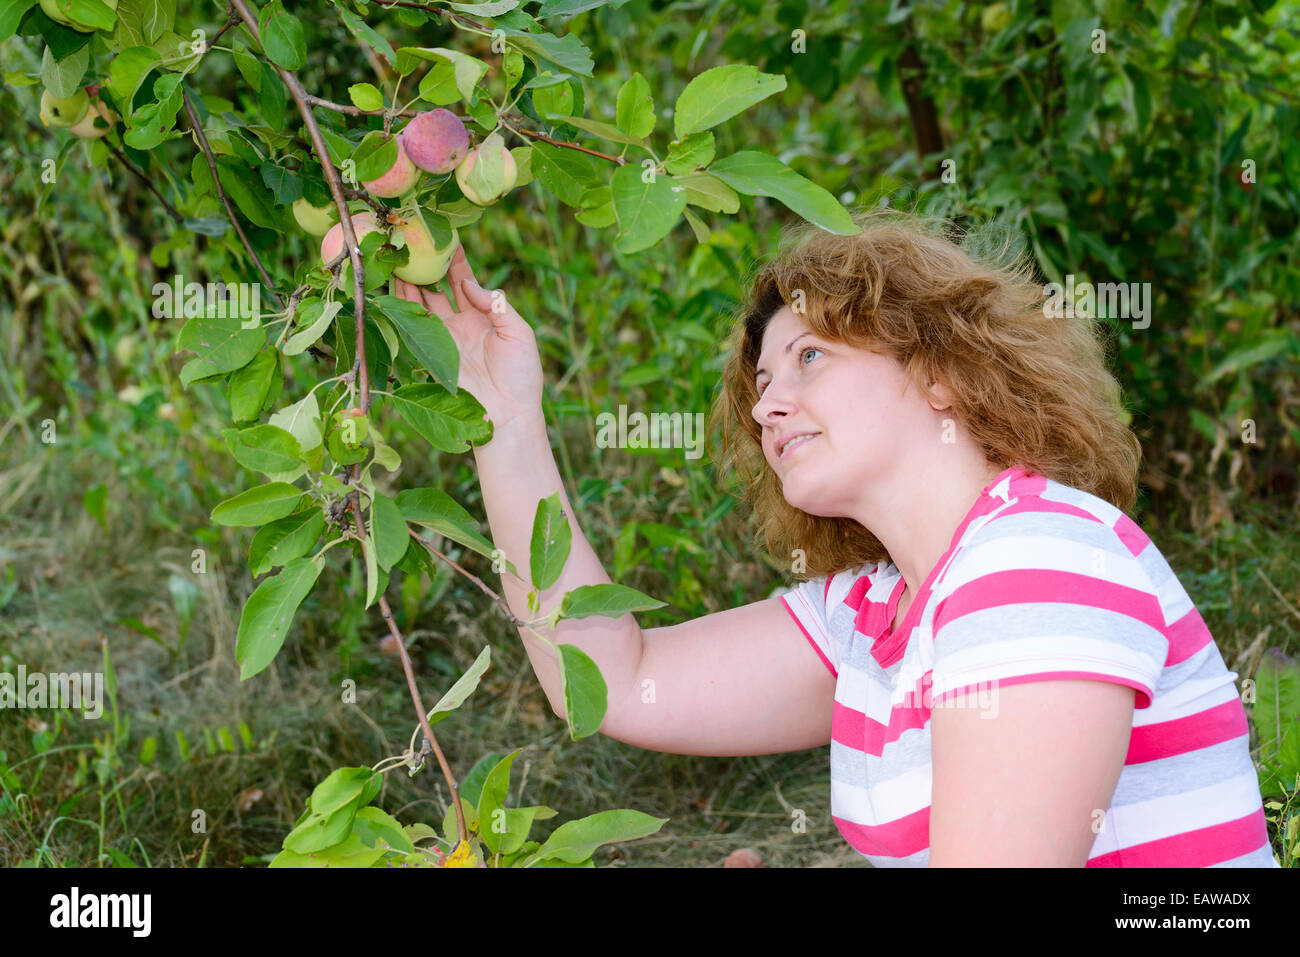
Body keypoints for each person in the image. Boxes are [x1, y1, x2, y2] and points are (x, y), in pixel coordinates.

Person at [393, 207, 1280, 868]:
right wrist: (501, 418)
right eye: (763, 380)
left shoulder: (1040, 559)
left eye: (811, 356)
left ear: (939, 373)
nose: (770, 401)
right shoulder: (874, 611)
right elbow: (611, 683)